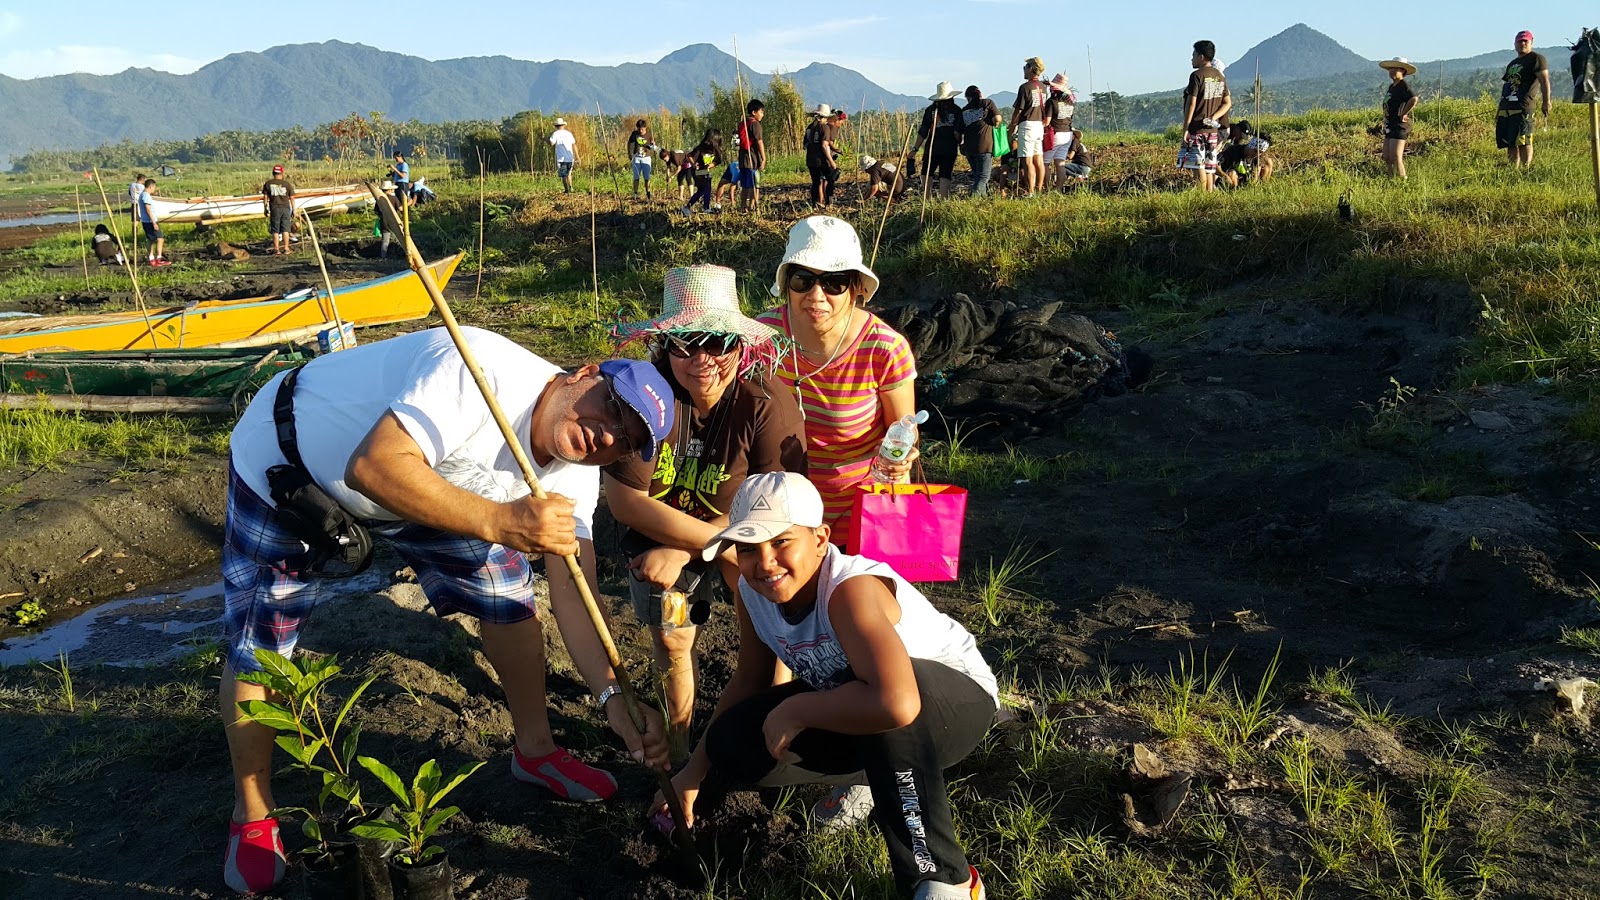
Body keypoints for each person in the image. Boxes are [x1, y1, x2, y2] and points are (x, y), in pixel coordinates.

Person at [218, 326, 675, 895]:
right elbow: (374, 467)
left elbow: (575, 595)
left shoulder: (575, 475)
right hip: (294, 464)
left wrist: (613, 698)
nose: (605, 434)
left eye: (625, 441)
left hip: (431, 485)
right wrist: (503, 522)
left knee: (508, 597)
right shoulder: (477, 371)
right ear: (584, 373)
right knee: (263, 649)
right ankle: (253, 813)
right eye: (611, 407)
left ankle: (535, 751)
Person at [653, 472, 997, 900]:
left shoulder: (849, 591)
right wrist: (692, 774)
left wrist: (798, 711)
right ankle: (878, 776)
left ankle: (946, 879)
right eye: (747, 548)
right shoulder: (752, 592)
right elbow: (748, 680)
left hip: (954, 702)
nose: (765, 563)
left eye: (781, 541)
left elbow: (898, 701)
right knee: (731, 743)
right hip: (871, 702)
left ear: (820, 539)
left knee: (880, 701)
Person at [604, 264, 807, 760]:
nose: (703, 359)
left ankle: (767, 738)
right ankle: (679, 741)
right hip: (662, 536)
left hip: (741, 536)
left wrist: (687, 544)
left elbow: (779, 505)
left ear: (741, 346)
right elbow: (625, 500)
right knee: (673, 641)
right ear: (665, 345)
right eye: (687, 342)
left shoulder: (765, 403)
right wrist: (680, 545)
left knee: (770, 625)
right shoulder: (645, 399)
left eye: (719, 342)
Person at [757, 215, 917, 551]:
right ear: (786, 283)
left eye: (834, 283)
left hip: (858, 512)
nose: (816, 295)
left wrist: (899, 459)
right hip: (778, 513)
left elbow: (903, 430)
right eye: (803, 280)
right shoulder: (761, 337)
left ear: (856, 289)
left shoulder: (884, 349)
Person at [1179, 40, 1231, 192]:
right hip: (1212, 131)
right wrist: (1214, 117)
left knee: (1198, 165)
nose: (1192, 58)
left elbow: (1191, 104)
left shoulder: (1196, 76)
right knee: (1209, 166)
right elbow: (1227, 103)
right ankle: (1209, 195)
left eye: (1193, 55)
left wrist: (1186, 128)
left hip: (1197, 129)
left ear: (1201, 57)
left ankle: (1202, 197)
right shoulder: (1220, 77)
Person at [1497, 30, 1552, 167]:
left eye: (1525, 41)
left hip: (1523, 107)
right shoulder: (1512, 63)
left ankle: (1525, 168)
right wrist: (1499, 109)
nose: (1522, 43)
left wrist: (1546, 102)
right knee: (1510, 141)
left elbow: (1544, 81)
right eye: (1519, 41)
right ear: (1515, 44)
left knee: (1523, 140)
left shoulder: (1536, 59)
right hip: (1507, 107)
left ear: (1531, 42)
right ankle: (1512, 169)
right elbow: (1507, 86)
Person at [1010, 57, 1049, 195]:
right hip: (1039, 125)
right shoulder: (1043, 88)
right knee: (1038, 158)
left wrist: (1011, 126)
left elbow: (1018, 110)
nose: (1024, 71)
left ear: (1030, 68)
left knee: (1027, 161)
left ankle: (1031, 191)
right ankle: (1039, 189)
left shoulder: (1025, 87)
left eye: (1025, 68)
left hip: (1027, 125)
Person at [918, 82, 963, 200]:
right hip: (949, 148)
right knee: (945, 175)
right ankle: (944, 200)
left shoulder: (930, 110)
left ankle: (926, 199)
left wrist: (915, 148)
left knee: (927, 173)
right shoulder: (957, 110)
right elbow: (957, 132)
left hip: (932, 147)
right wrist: (960, 142)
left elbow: (923, 131)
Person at [1380, 58, 1418, 179]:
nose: (1392, 71)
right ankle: (1391, 179)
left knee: (1396, 157)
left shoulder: (1403, 86)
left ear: (1403, 71)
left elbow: (1413, 99)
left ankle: (1402, 181)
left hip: (1400, 125)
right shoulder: (1392, 87)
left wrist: (1403, 113)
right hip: (1390, 124)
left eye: (1395, 69)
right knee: (1386, 157)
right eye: (1390, 68)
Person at [959, 85, 1001, 197]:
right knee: (983, 177)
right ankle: (973, 198)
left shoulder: (964, 110)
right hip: (984, 145)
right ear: (980, 94)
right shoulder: (987, 103)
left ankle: (984, 199)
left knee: (978, 175)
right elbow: (997, 119)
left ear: (967, 98)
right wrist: (995, 126)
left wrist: (960, 144)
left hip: (969, 148)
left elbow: (957, 132)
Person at [803, 104, 840, 208]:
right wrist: (831, 161)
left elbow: (804, 145)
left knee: (815, 182)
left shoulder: (809, 128)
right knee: (831, 178)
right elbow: (824, 145)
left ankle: (815, 204)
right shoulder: (824, 127)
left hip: (810, 159)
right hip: (822, 160)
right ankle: (829, 203)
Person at [1044, 73, 1077, 190]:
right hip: (1068, 134)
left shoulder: (1051, 102)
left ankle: (1046, 189)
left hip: (1055, 134)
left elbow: (1047, 122)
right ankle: (1058, 189)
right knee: (1060, 163)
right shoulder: (1070, 102)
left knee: (1045, 163)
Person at [681, 128, 724, 214]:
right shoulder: (700, 148)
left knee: (702, 190)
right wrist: (693, 164)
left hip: (705, 171)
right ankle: (706, 208)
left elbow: (718, 161)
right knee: (706, 187)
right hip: (697, 171)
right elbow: (689, 155)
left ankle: (687, 207)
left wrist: (710, 165)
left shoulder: (716, 150)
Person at [261, 165, 296, 256]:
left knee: (275, 230)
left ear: (273, 173)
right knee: (286, 229)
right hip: (285, 208)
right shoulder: (287, 184)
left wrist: (265, 208)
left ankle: (276, 249)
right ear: (282, 173)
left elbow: (265, 197)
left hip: (274, 208)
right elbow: (292, 198)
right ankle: (286, 248)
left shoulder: (268, 184)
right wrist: (294, 210)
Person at [738, 99, 767, 210]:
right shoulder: (755, 124)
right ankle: (752, 206)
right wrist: (763, 158)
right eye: (761, 112)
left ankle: (742, 206)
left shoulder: (743, 123)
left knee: (745, 185)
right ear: (754, 112)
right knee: (754, 184)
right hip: (752, 158)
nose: (762, 115)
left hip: (742, 158)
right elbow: (759, 142)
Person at [137, 179, 169, 267]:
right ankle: (159, 258)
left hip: (145, 221)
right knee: (160, 238)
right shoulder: (146, 195)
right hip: (150, 221)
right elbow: (148, 209)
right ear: (150, 186)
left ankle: (151, 258)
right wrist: (154, 222)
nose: (154, 189)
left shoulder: (141, 195)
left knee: (150, 239)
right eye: (154, 187)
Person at [627, 119, 655, 200]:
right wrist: (631, 155)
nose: (640, 130)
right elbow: (630, 145)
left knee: (647, 177)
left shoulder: (650, 134)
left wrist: (653, 144)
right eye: (639, 128)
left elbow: (652, 146)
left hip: (646, 158)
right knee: (636, 177)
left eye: (642, 129)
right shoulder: (634, 134)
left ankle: (648, 193)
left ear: (645, 128)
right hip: (636, 158)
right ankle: (635, 193)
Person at [550, 118, 579, 193]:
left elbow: (551, 143)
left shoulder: (555, 134)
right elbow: (574, 145)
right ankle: (571, 188)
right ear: (563, 125)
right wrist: (577, 157)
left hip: (561, 159)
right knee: (568, 174)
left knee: (563, 175)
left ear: (556, 126)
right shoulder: (569, 134)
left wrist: (544, 139)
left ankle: (567, 190)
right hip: (570, 157)